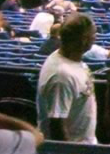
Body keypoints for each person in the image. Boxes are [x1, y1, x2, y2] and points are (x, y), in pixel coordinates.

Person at [37, 15, 100, 147]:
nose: (96, 37)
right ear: (84, 40)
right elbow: (57, 124)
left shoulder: (71, 61)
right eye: (93, 34)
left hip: (85, 148)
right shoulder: (61, 76)